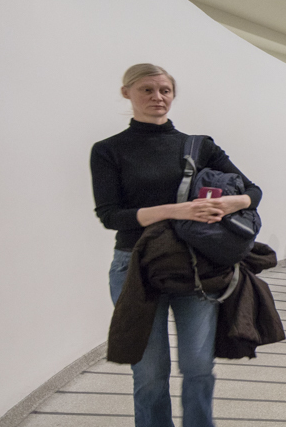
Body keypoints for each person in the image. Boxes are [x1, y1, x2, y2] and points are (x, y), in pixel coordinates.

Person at [92, 64, 263, 427]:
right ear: (127, 93)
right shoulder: (108, 150)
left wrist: (233, 203)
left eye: (165, 90)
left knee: (199, 366)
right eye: (147, 90)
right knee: (150, 372)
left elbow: (253, 191)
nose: (158, 98)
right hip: (135, 266)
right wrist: (178, 210)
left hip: (196, 264)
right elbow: (111, 216)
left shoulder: (200, 146)